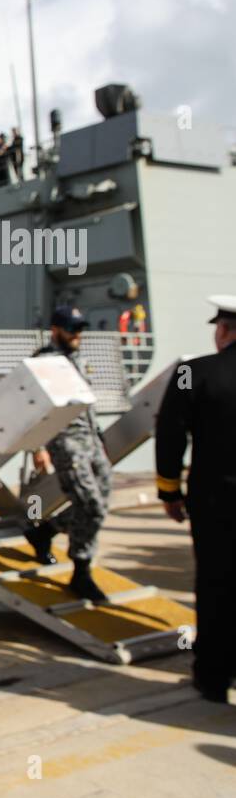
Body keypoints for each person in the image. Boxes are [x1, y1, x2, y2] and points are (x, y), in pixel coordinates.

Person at [156, 295, 236, 704]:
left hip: (215, 501)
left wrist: (169, 491)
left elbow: (170, 435)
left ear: (223, 330)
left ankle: (213, 676)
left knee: (216, 582)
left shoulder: (194, 373)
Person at [22, 306, 111, 602]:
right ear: (56, 330)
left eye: (80, 329)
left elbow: (89, 406)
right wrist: (38, 447)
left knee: (99, 502)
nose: (78, 335)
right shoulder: (43, 361)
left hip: (91, 442)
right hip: (66, 442)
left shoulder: (80, 360)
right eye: (72, 329)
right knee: (91, 505)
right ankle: (81, 571)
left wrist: (100, 440)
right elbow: (32, 408)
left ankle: (45, 531)